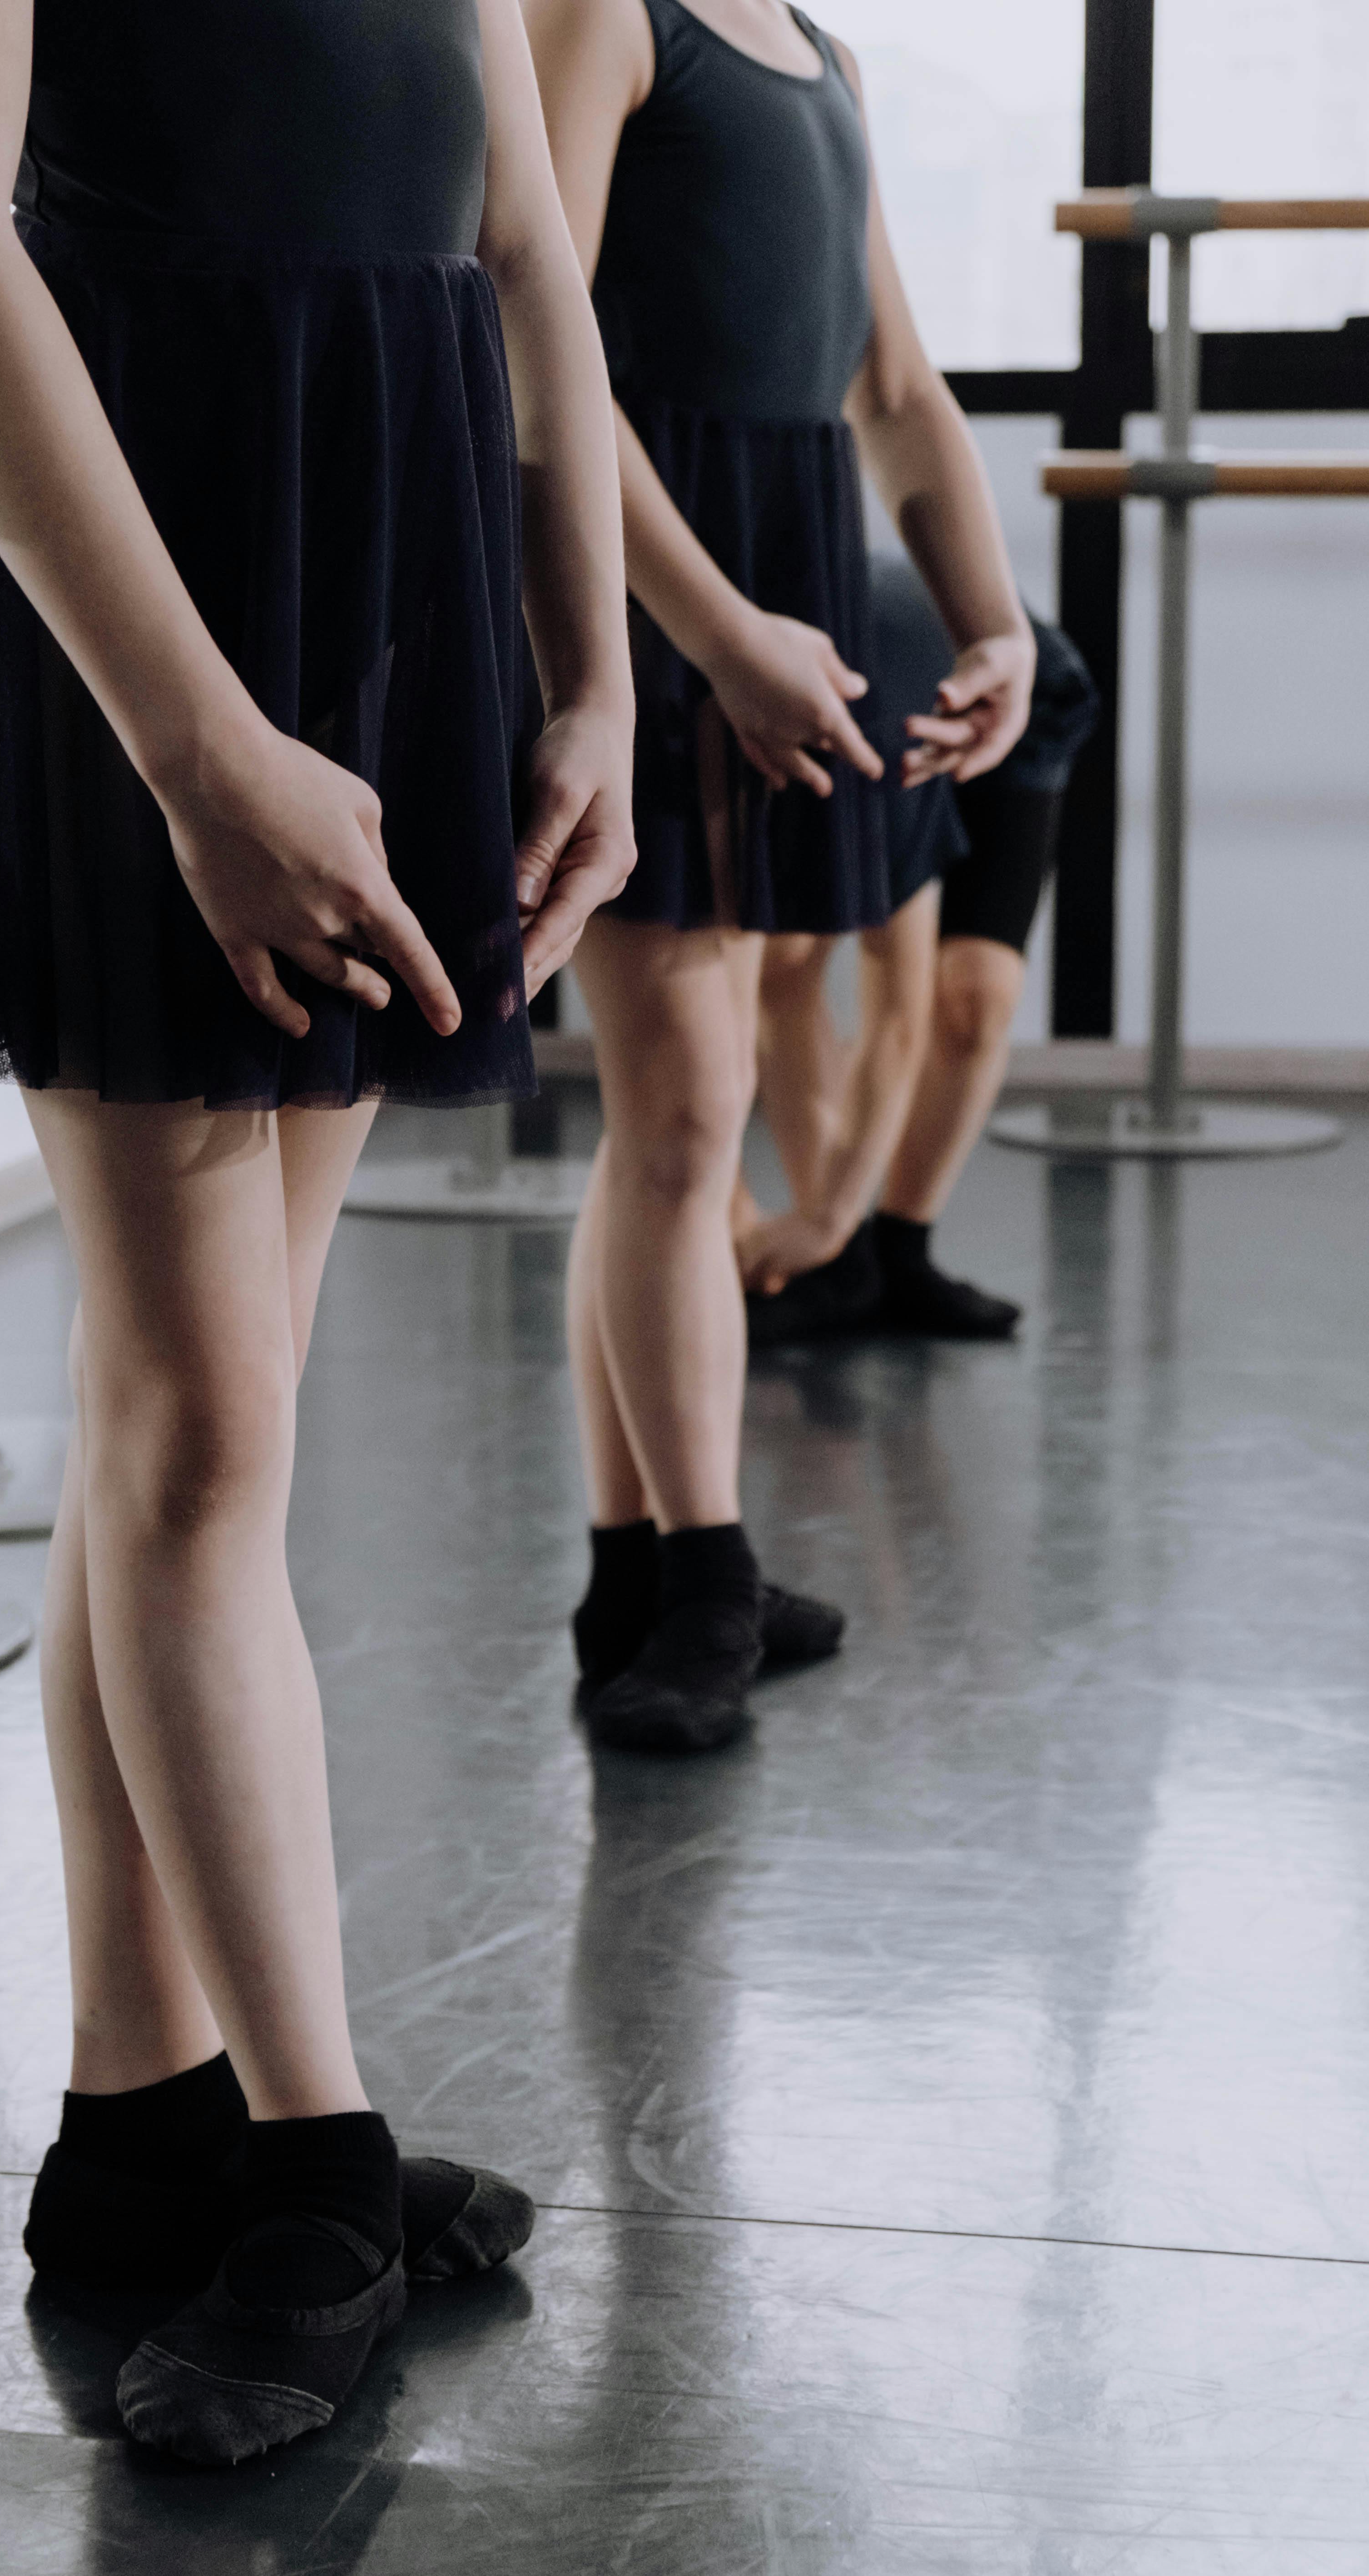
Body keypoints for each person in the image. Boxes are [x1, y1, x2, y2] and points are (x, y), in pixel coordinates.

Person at [0, 0, 635, 2470]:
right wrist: (197, 748)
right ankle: (313, 2167)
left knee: (200, 1418)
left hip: (375, 550)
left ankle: (137, 2111)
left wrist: (598, 673)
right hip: (143, 588)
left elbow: (525, 245)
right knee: (199, 1428)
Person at [525, 0, 1033, 1754]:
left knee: (681, 1113)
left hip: (777, 590)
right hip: (642, 603)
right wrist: (715, 630)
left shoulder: (828, 58)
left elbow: (893, 391)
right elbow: (542, 362)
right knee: (683, 1106)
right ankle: (705, 1571)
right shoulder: (602, 19)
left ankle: (639, 1574)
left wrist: (990, 623)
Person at [737, 558, 1100, 1341]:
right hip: (847, 705)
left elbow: (895, 1016)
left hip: (1005, 711)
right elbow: (773, 986)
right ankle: (843, 1268)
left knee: (974, 999)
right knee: (786, 967)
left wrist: (822, 1218)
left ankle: (896, 1251)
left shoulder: (885, 750)